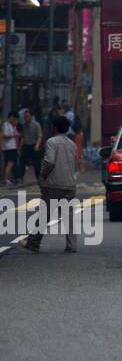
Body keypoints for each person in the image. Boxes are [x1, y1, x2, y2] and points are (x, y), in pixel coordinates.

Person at [22, 115, 79, 253]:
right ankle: (72, 245)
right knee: (68, 216)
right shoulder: (72, 144)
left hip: (53, 185)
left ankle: (34, 243)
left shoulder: (51, 142)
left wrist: (42, 177)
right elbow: (75, 164)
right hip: (70, 185)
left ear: (54, 127)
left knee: (44, 215)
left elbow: (49, 162)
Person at [18, 108, 43, 185]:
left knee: (37, 164)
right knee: (22, 162)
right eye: (25, 116)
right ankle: (20, 178)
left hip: (34, 145)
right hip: (26, 146)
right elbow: (23, 136)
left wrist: (37, 145)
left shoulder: (36, 125)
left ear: (31, 116)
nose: (26, 118)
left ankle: (39, 179)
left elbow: (39, 136)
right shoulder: (24, 125)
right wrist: (20, 147)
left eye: (28, 116)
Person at [2, 111, 18, 185]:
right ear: (11, 117)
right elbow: (5, 136)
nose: (15, 120)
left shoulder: (11, 125)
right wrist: (14, 136)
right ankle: (6, 179)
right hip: (9, 147)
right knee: (10, 163)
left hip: (11, 146)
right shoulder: (6, 125)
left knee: (9, 164)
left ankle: (8, 178)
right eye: (14, 118)